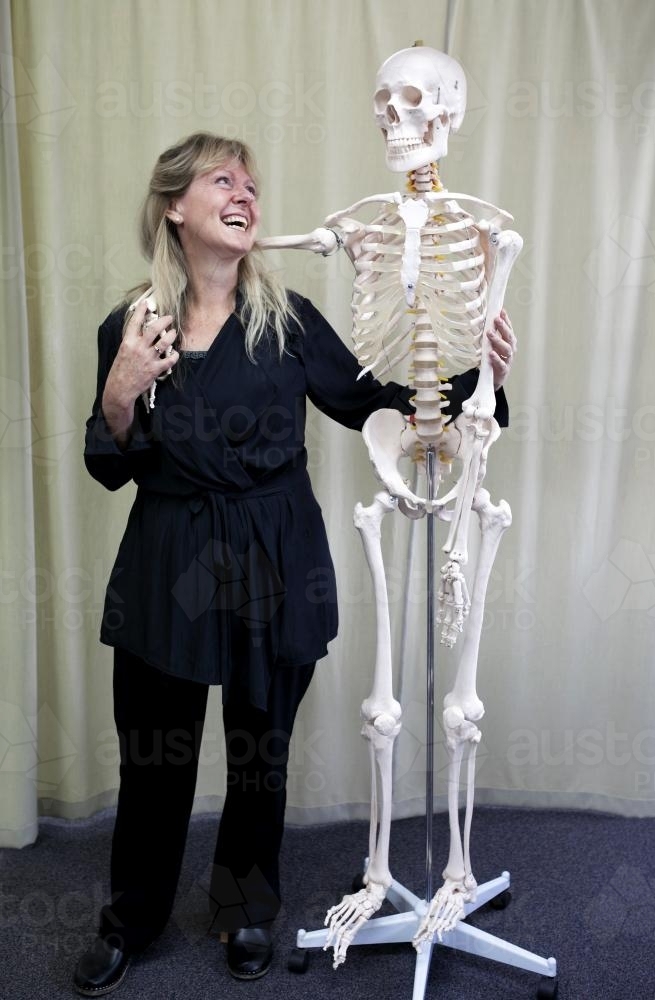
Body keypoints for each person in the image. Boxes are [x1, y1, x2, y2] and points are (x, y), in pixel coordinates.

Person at [75, 131, 516, 994]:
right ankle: (131, 917)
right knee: (154, 757)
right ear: (174, 207)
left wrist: (478, 377)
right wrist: (120, 390)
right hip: (172, 561)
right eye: (222, 181)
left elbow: (374, 406)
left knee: (257, 753)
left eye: (251, 184)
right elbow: (108, 463)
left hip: (274, 554)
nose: (246, 194)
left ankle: (245, 911)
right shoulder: (132, 329)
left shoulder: (288, 322)